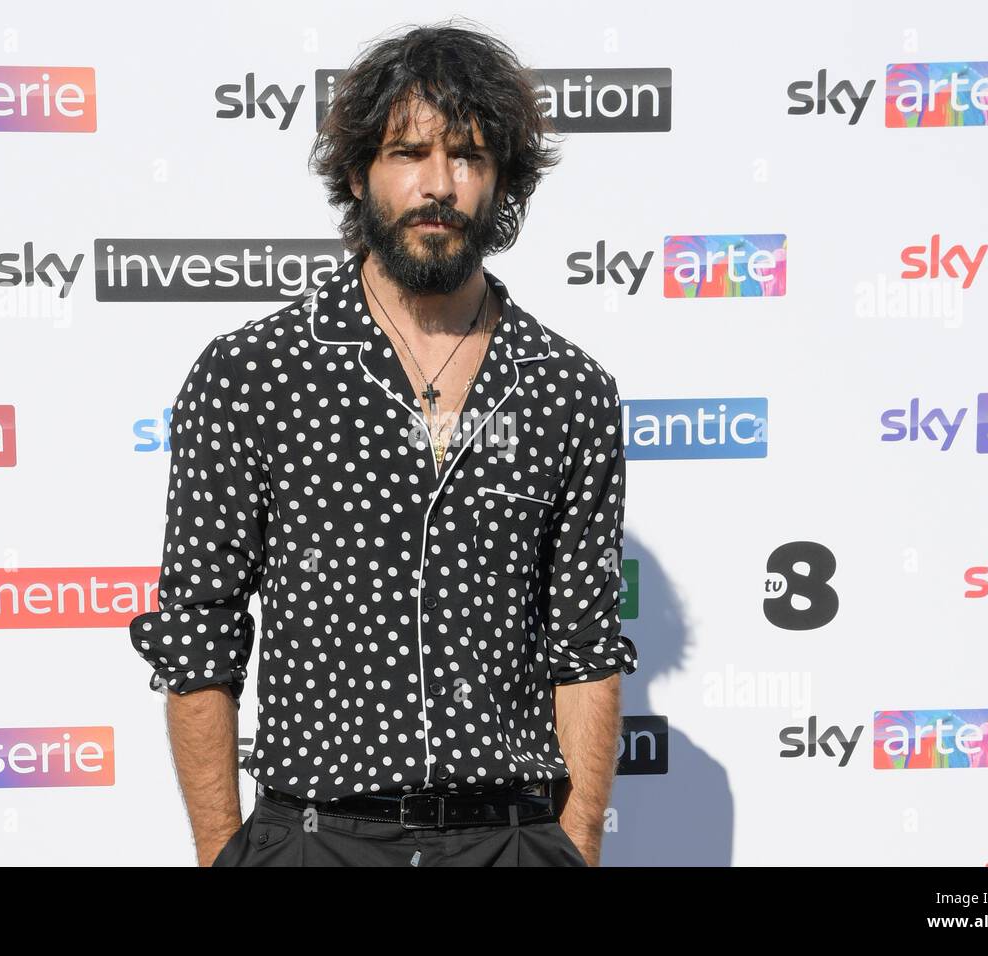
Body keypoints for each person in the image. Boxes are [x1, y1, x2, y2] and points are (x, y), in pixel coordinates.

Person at [129, 19, 639, 867]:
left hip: (510, 836)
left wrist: (575, 845)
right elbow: (197, 633)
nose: (439, 184)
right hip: (317, 836)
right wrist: (225, 855)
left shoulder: (567, 388)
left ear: (501, 180)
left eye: (469, 156)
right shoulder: (255, 373)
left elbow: (584, 645)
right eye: (408, 153)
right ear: (361, 170)